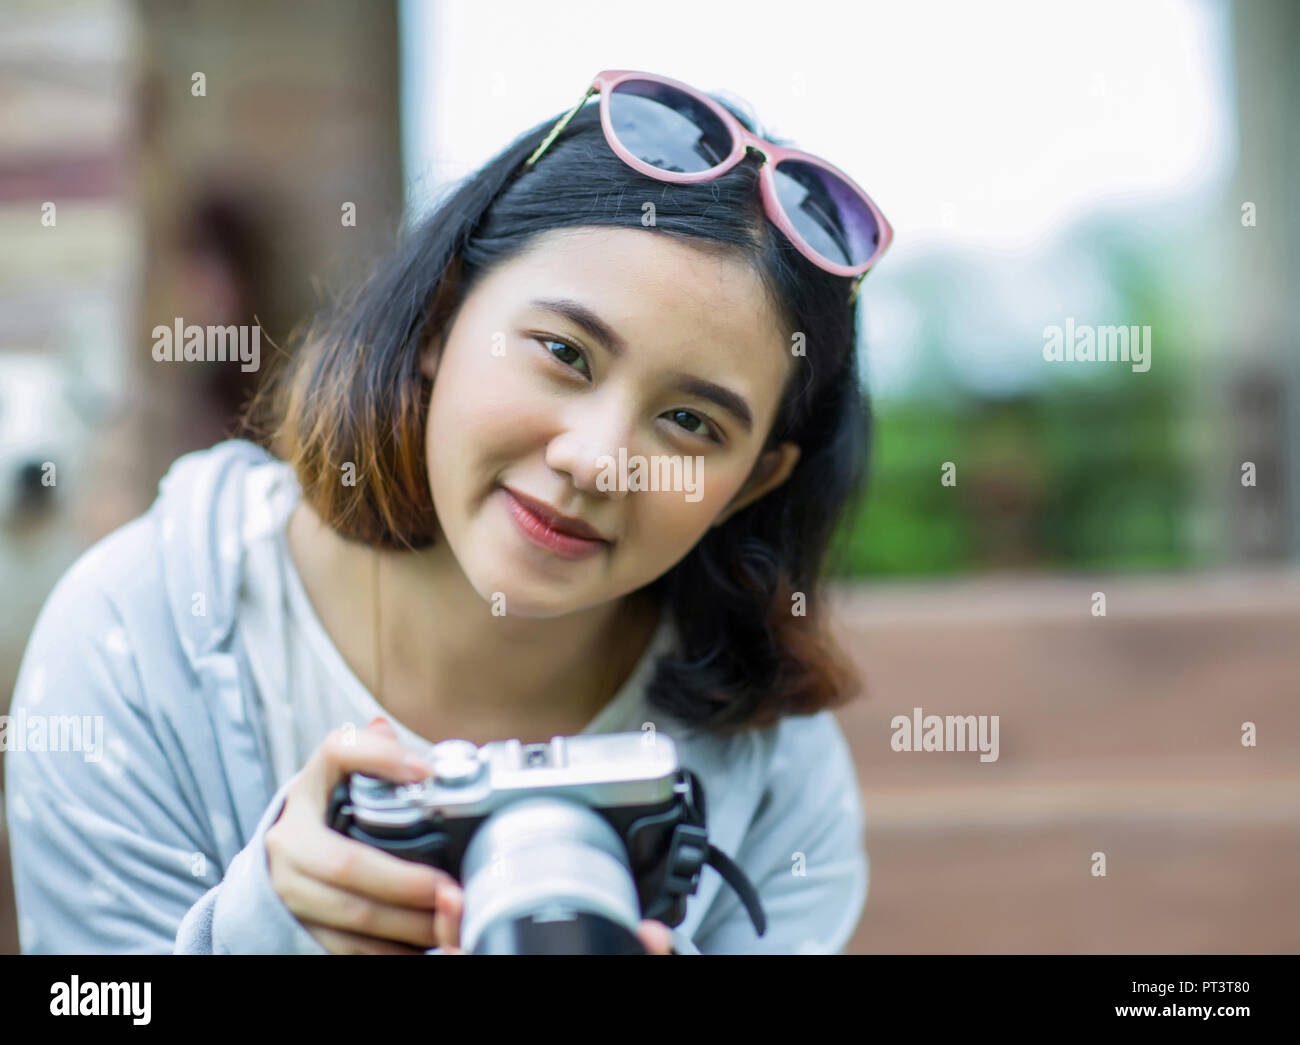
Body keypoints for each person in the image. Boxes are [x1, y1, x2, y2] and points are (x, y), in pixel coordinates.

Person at [5, 69, 890, 955]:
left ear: (753, 480)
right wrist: (263, 933)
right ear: (438, 322)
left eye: (690, 422)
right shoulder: (143, 636)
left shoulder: (770, 766)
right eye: (563, 352)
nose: (594, 460)